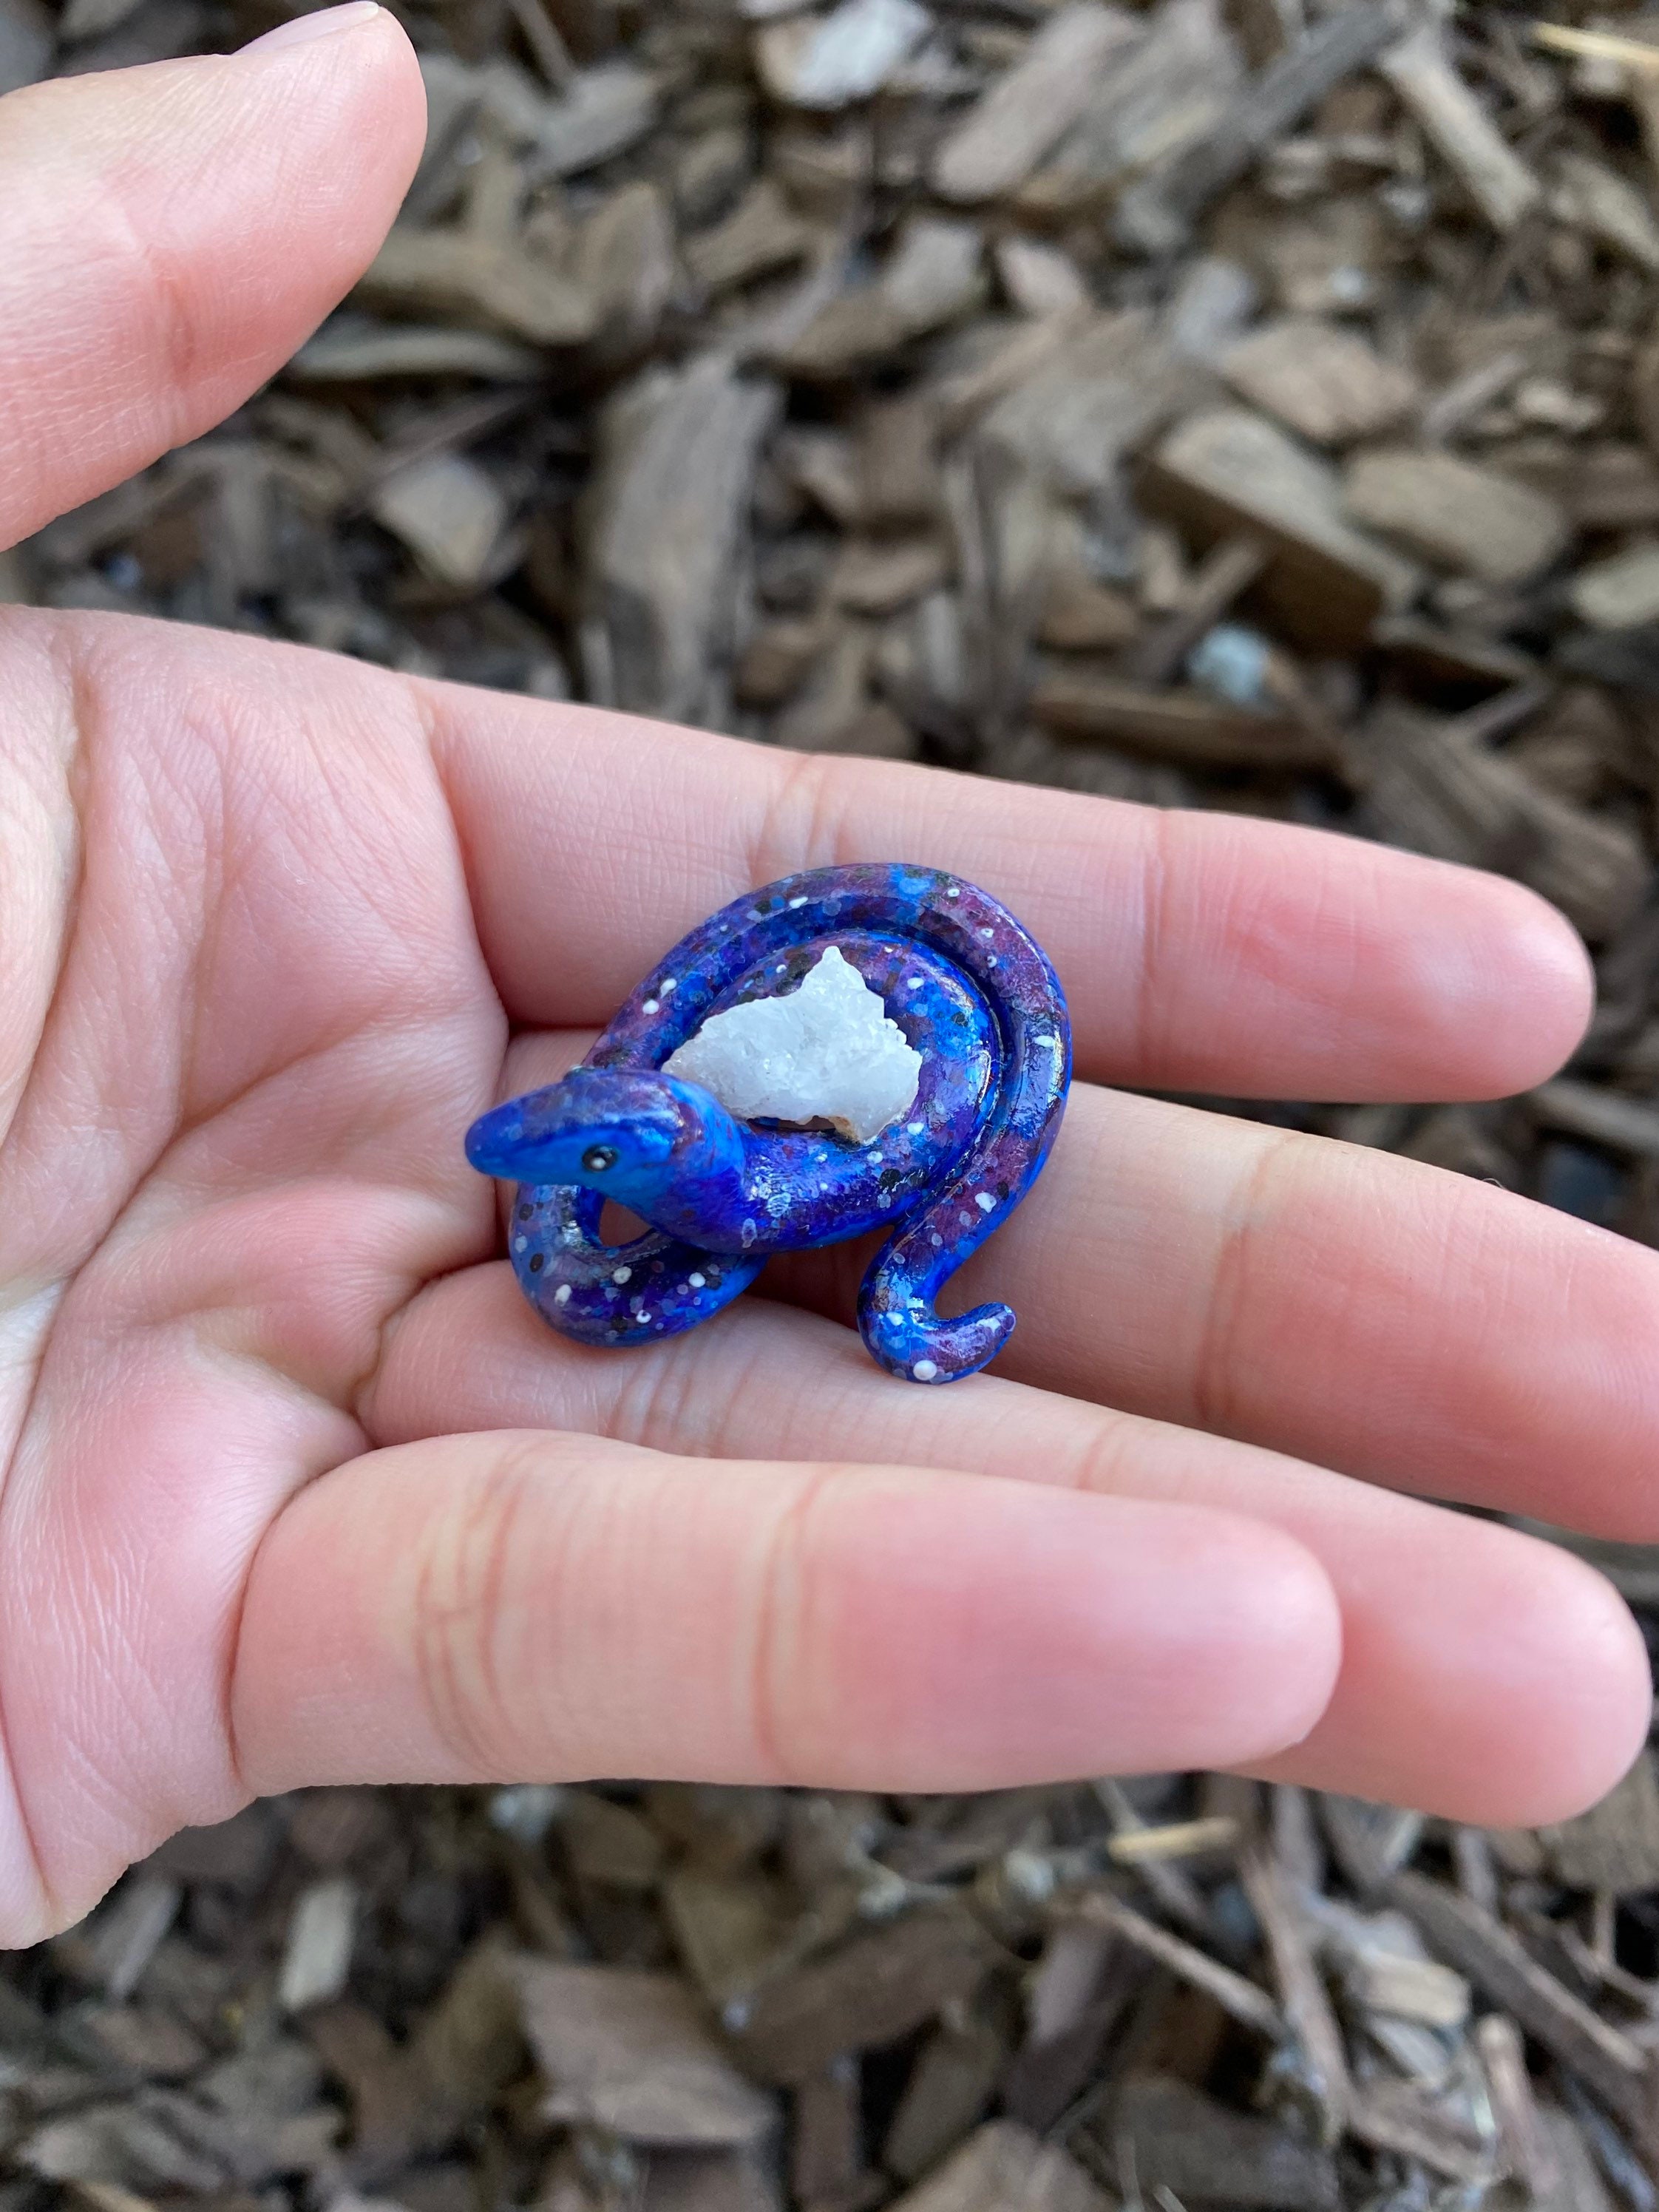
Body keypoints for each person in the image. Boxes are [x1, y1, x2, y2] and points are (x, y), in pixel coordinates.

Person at [0, 6, 1649, 1947]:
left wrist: (909, 1277)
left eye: (587, 1150)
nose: (539, 1169)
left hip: (878, 1067)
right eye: (584, 1148)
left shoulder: (768, 1171)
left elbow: (847, 1231)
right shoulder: (653, 1164)